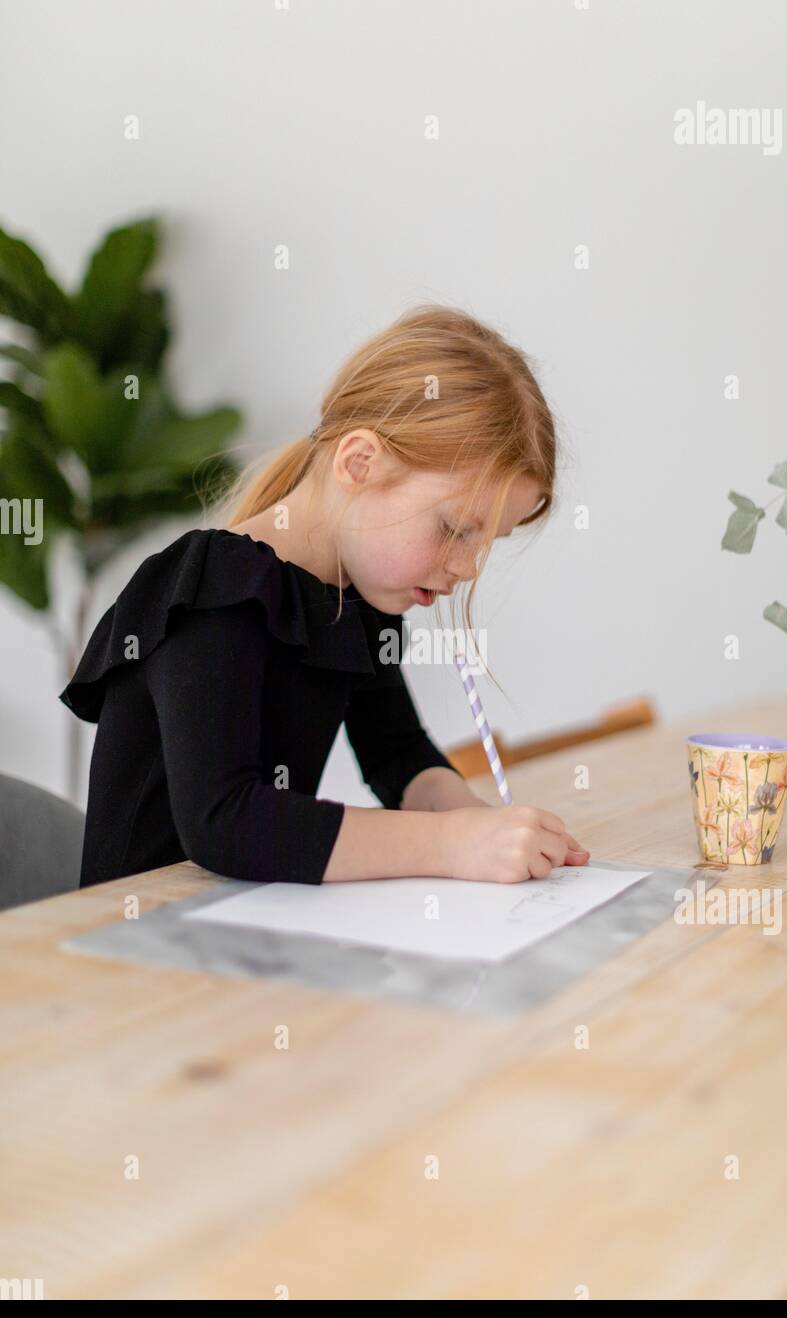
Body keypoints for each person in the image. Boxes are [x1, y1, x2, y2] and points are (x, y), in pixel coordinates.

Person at [60, 304, 591, 887]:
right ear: (360, 462)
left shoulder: (358, 603)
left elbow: (401, 757)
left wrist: (494, 832)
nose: (466, 568)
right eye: (454, 529)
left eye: (487, 542)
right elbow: (226, 821)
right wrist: (451, 843)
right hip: (129, 943)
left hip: (247, 926)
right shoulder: (215, 588)